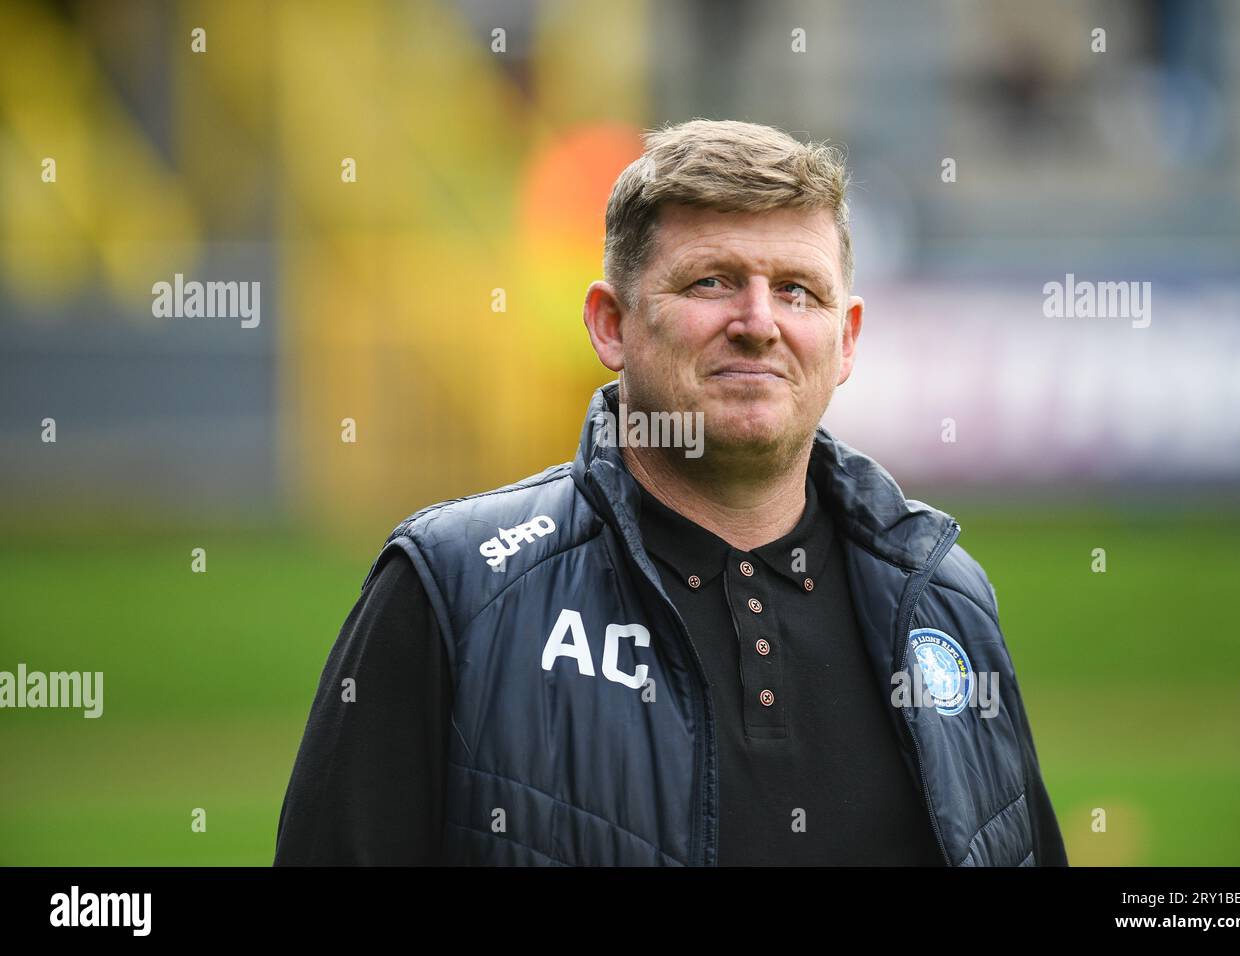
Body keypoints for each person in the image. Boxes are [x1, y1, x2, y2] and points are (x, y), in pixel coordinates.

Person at [274, 118, 1068, 867]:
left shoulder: (944, 602)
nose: (759, 322)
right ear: (611, 325)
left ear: (847, 338)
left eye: (797, 290)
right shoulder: (454, 589)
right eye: (713, 282)